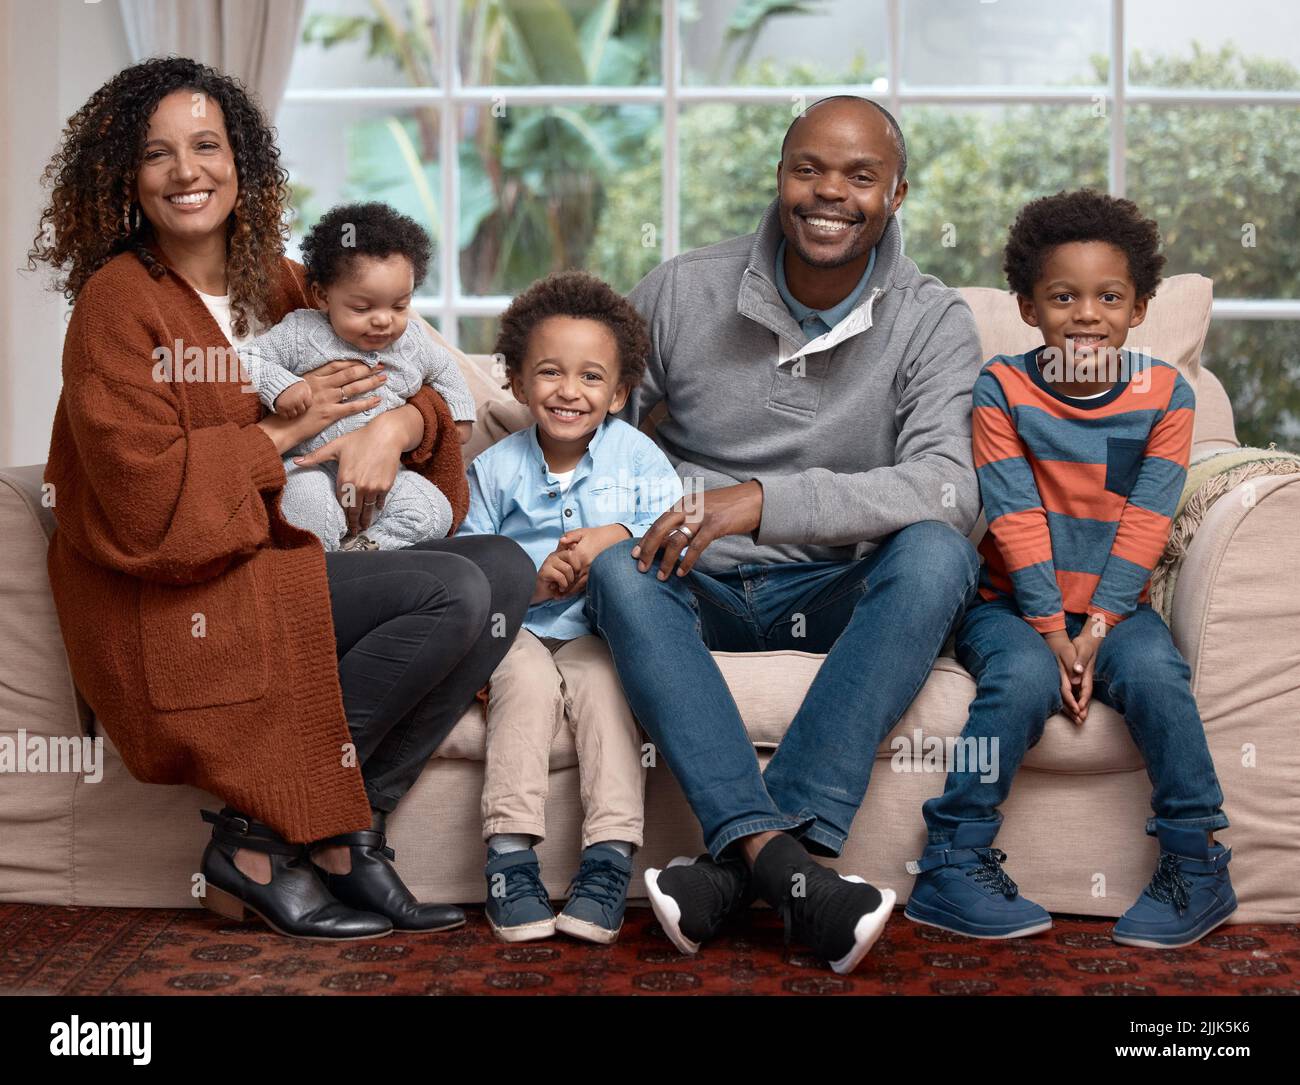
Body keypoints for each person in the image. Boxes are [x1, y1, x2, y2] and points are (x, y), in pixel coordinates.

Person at [30, 56, 534, 940]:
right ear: (124, 177)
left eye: (206, 145)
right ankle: (258, 843)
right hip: (179, 596)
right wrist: (281, 438)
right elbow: (146, 509)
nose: (187, 172)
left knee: (501, 567)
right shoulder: (118, 307)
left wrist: (397, 429)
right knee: (447, 591)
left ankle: (347, 833)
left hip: (288, 555)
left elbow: (406, 378)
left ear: (242, 160)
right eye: (158, 154)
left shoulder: (285, 281)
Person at [582, 95, 986, 974]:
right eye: (808, 169)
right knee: (615, 567)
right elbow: (589, 417)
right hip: (694, 577)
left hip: (836, 590)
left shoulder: (933, 319)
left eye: (859, 176)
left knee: (938, 554)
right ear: (779, 177)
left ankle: (734, 865)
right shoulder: (684, 288)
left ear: (898, 194)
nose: (829, 193)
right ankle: (789, 869)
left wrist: (764, 499)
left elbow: (950, 488)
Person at [904, 189, 1236, 948]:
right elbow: (1015, 516)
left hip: (1117, 611)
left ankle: (1196, 862)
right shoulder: (1002, 388)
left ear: (1140, 306)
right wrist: (1053, 631)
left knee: (1157, 677)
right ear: (1028, 307)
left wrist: (1097, 629)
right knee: (1018, 680)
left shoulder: (1165, 395)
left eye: (1108, 296)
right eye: (1063, 296)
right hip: (1010, 606)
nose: (1086, 314)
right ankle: (952, 858)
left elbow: (1147, 521)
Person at [457, 271, 682, 944]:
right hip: (520, 629)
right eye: (550, 372)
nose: (568, 391)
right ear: (520, 382)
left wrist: (620, 537)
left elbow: (674, 533)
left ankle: (610, 858)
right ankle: (509, 858)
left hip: (599, 632)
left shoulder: (639, 457)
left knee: (607, 686)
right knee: (522, 680)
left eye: (591, 378)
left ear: (618, 393)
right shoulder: (494, 469)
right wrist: (531, 581)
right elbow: (467, 570)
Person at [241, 201, 478, 552]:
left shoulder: (412, 341)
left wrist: (460, 412)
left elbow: (444, 368)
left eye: (399, 306)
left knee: (433, 510)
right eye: (363, 308)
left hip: (384, 475)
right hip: (311, 470)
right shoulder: (301, 331)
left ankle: (364, 551)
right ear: (323, 296)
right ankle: (324, 571)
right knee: (307, 506)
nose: (384, 320)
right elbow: (246, 358)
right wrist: (282, 386)